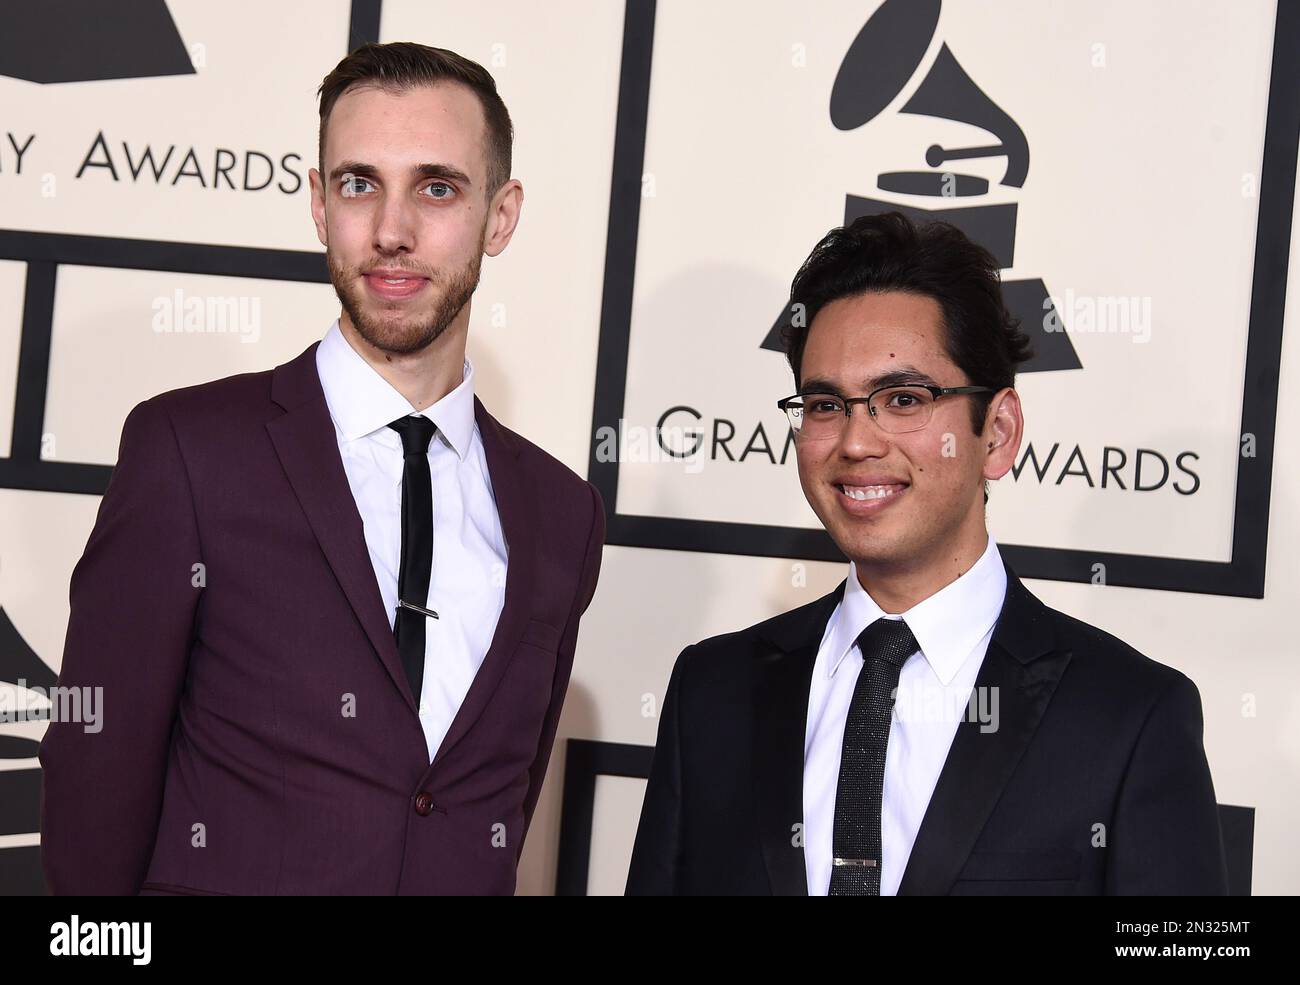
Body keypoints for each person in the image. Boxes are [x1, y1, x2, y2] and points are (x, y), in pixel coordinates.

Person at [40, 41, 605, 895]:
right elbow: (96, 790)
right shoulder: (190, 452)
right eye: (358, 183)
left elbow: (496, 806)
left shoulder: (561, 514)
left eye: (438, 187)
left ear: (502, 214)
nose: (391, 231)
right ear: (317, 202)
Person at [625, 211, 1227, 895]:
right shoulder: (713, 692)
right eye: (825, 405)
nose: (856, 441)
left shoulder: (1129, 717)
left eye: (903, 398)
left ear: (997, 433)